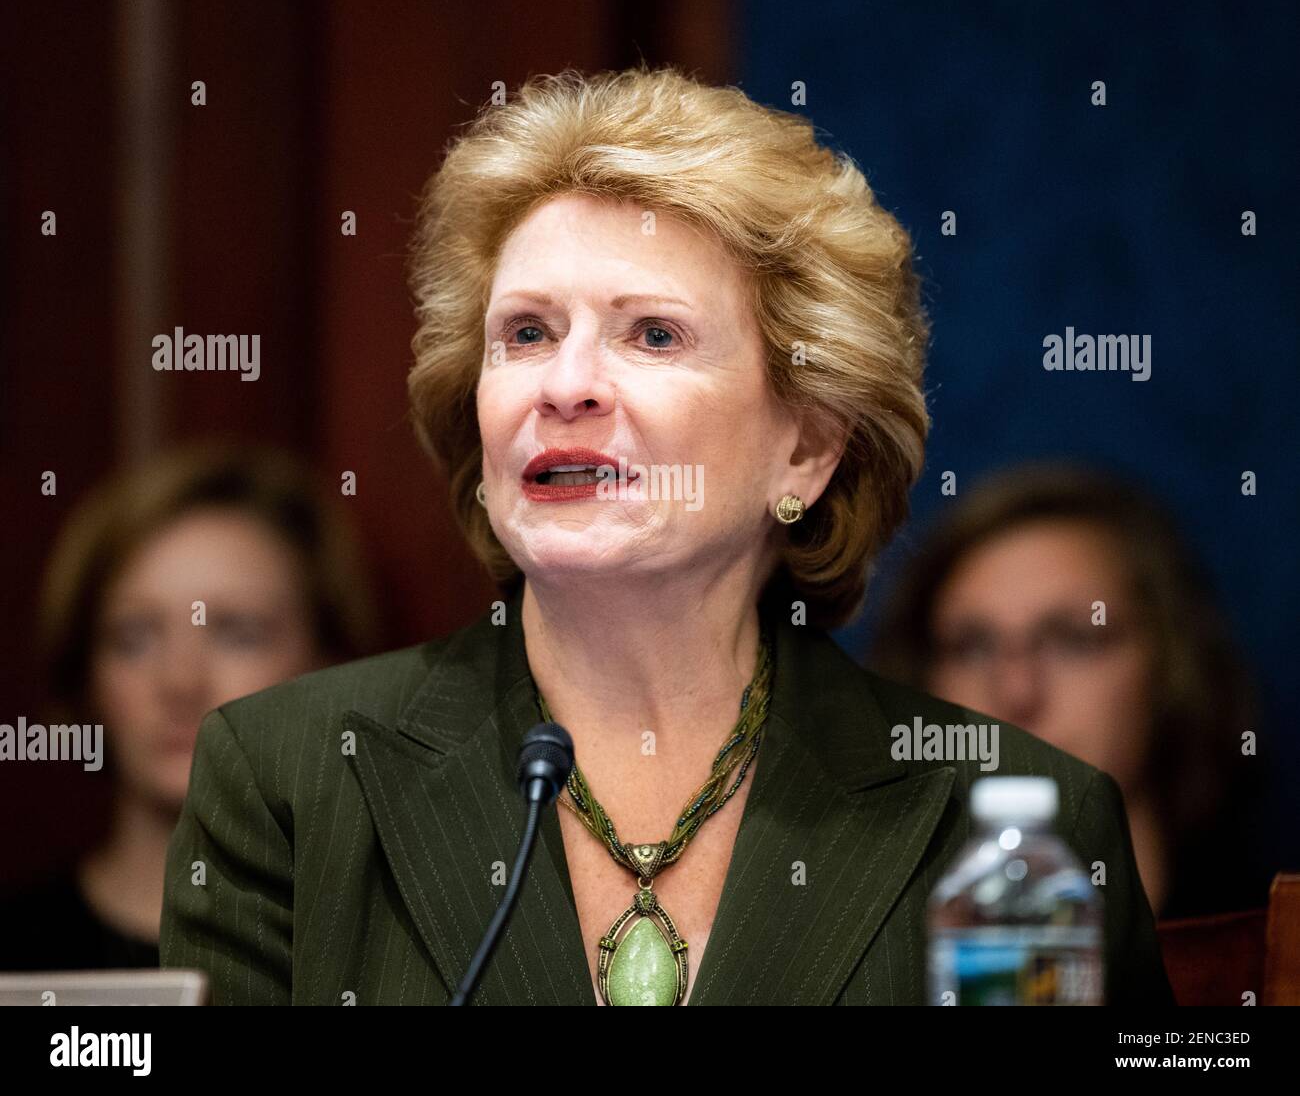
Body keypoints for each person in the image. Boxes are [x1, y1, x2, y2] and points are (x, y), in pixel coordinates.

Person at [160, 65, 1173, 1005]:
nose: (565, 385)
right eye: (527, 333)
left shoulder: (1011, 822)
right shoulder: (287, 780)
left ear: (806, 446)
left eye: (652, 334)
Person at [0, 444, 377, 971]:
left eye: (238, 632)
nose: (180, 681)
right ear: (85, 671)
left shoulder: (391, 958)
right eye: (134, 637)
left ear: (327, 666)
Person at [869, 462, 1263, 921]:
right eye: (973, 647)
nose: (1017, 692)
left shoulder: (1277, 953)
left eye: (1075, 640)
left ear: (1173, 666)